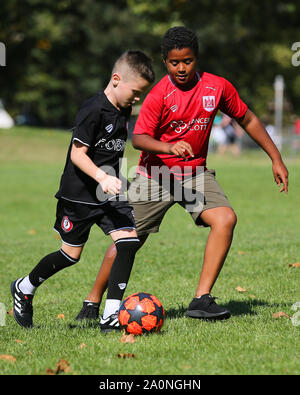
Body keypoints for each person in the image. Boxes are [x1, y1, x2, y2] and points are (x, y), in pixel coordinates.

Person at [76, 26, 289, 323]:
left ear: (196, 58)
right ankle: (91, 303)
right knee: (128, 240)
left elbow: (247, 118)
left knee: (225, 218)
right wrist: (168, 146)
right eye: (174, 62)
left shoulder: (217, 88)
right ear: (165, 62)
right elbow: (138, 138)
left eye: (187, 61)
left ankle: (201, 300)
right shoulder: (159, 94)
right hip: (155, 177)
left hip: (195, 175)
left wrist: (275, 157)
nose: (181, 68)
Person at [10, 50, 155, 331]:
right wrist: (102, 177)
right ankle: (24, 287)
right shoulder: (92, 109)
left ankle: (110, 314)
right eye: (136, 92)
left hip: (109, 194)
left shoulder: (123, 110)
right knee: (69, 256)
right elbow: (78, 155)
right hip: (78, 196)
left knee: (128, 242)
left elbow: (111, 152)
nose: (137, 99)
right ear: (116, 79)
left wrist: (117, 180)